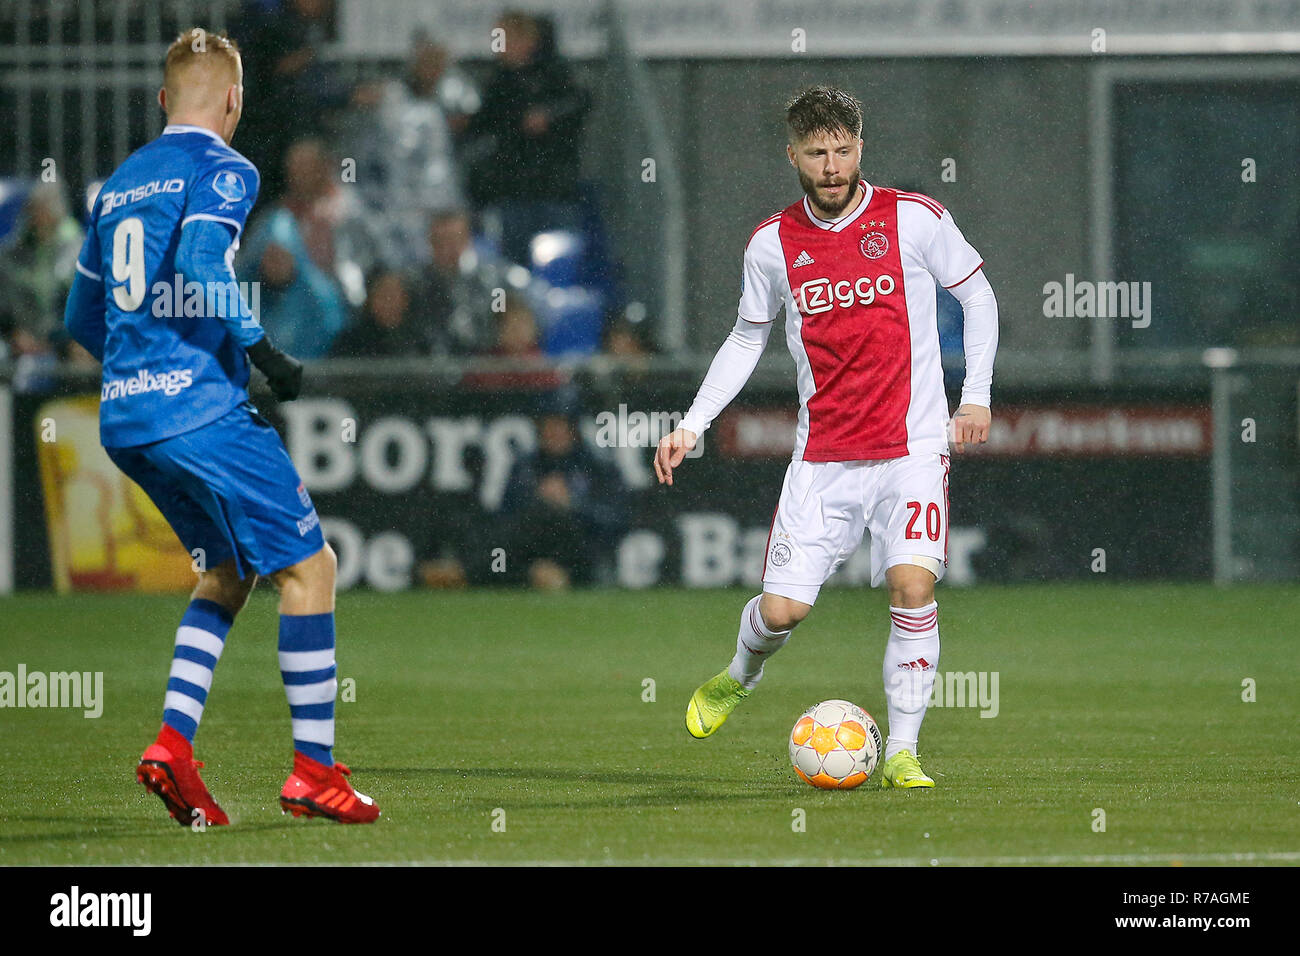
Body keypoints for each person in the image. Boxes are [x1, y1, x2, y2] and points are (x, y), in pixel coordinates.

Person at [62, 28, 379, 825]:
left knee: (229, 572)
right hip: (201, 412)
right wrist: (262, 351)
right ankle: (314, 771)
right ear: (233, 99)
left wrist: (141, 364)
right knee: (312, 569)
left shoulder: (117, 184)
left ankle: (172, 744)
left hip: (128, 420)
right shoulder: (226, 169)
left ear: (164, 101)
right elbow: (204, 264)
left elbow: (79, 315)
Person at [654, 86, 998, 790]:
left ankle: (903, 750)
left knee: (912, 584)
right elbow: (748, 336)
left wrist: (977, 397)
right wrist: (693, 424)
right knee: (782, 613)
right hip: (824, 456)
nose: (832, 165)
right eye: (817, 152)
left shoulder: (913, 219)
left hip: (912, 447)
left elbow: (978, 295)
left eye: (843, 149)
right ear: (794, 156)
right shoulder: (772, 245)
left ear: (860, 148)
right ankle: (738, 676)